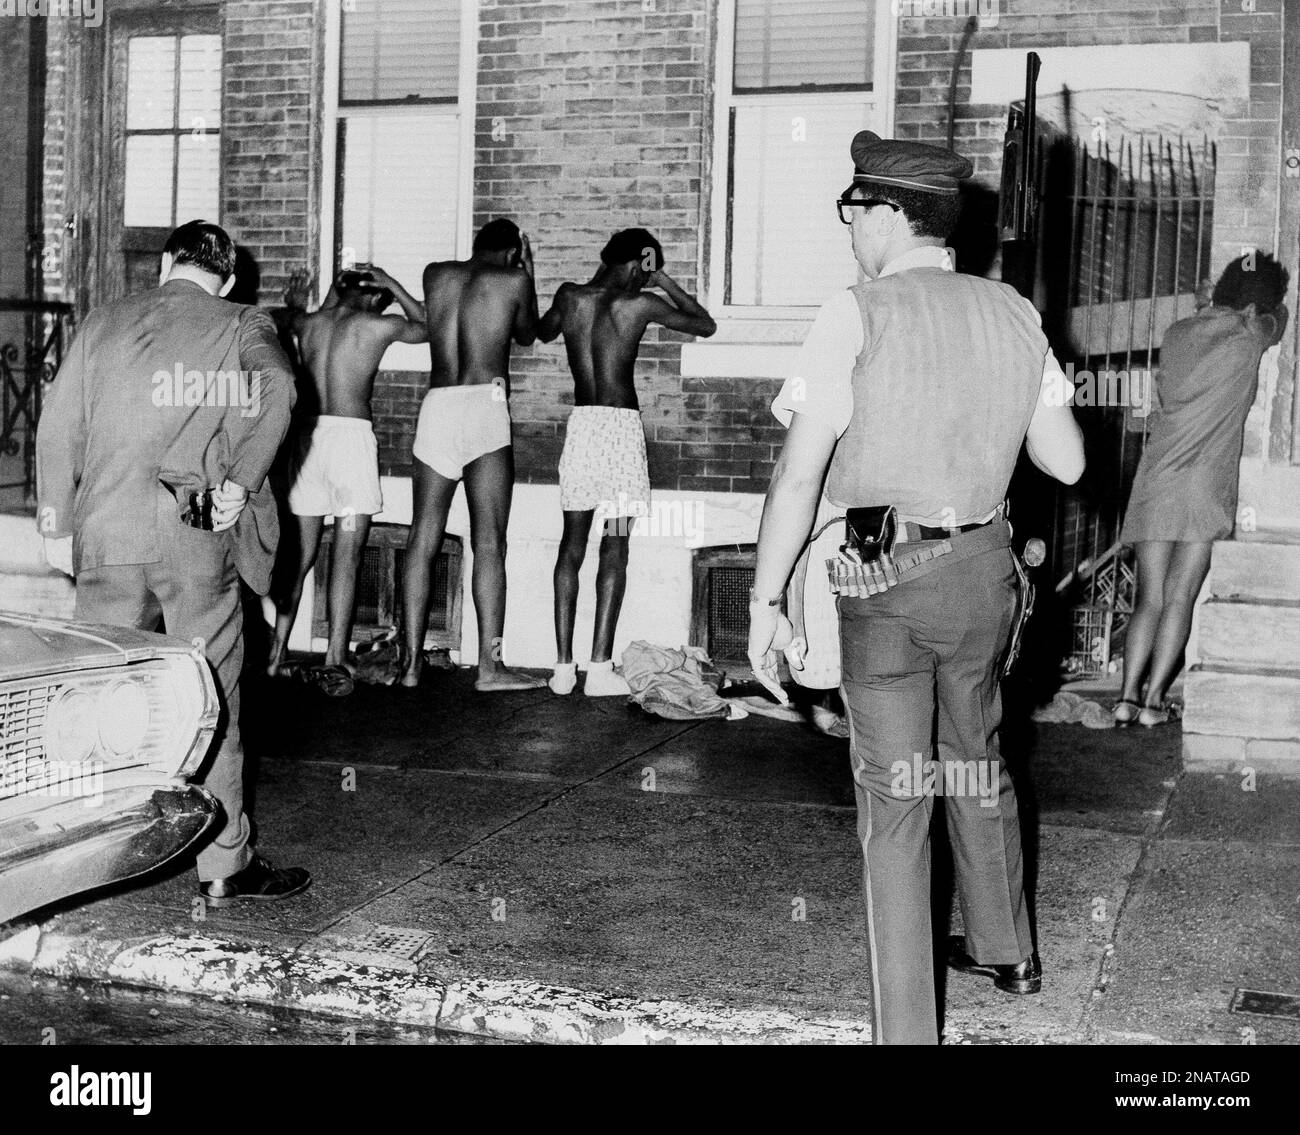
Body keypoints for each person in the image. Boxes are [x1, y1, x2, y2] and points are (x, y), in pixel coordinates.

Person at [746, 132, 1085, 1045]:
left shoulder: (854, 312)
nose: (850, 229)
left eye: (855, 211)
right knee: (973, 750)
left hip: (886, 576)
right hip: (981, 570)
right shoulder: (1013, 310)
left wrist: (765, 602)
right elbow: (1067, 455)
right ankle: (1009, 948)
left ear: (894, 215)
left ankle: (906, 1033)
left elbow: (797, 476)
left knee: (896, 799)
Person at [36, 219, 310, 906]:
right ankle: (224, 863)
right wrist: (241, 483)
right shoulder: (243, 323)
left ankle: (74, 863)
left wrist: (52, 521)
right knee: (211, 694)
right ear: (228, 277)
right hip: (191, 535)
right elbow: (280, 392)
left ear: (165, 264)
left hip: (105, 531)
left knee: (92, 694)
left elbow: (56, 422)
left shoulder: (103, 321)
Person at [537, 228, 716, 695]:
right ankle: (598, 670)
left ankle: (561, 669)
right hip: (618, 436)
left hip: (582, 433)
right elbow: (704, 324)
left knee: (570, 545)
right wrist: (665, 282)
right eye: (647, 268)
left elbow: (542, 331)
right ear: (642, 262)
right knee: (614, 545)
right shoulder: (639, 304)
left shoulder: (570, 296)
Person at [1115, 253, 1289, 727]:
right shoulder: (1250, 335)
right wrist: (1259, 308)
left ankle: (1125, 699)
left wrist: (1208, 301)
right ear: (1259, 305)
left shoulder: (1177, 333)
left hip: (1156, 480)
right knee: (1180, 595)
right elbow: (1279, 321)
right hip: (1204, 486)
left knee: (1147, 596)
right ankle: (1153, 703)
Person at [266, 265, 428, 695]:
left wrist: (309, 302)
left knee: (297, 557)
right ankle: (335, 658)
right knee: (347, 555)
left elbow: (279, 322)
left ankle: (276, 655)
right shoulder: (378, 325)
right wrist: (393, 282)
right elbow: (428, 325)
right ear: (375, 297)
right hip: (350, 445)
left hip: (308, 441)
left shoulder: (311, 324)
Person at [401, 219, 542, 691]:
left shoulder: (435, 273)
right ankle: (489, 667)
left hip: (438, 404)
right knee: (490, 543)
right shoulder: (515, 278)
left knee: (423, 536)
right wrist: (529, 270)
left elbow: (427, 321)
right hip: (486, 402)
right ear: (511, 251)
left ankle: (410, 665)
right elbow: (529, 333)